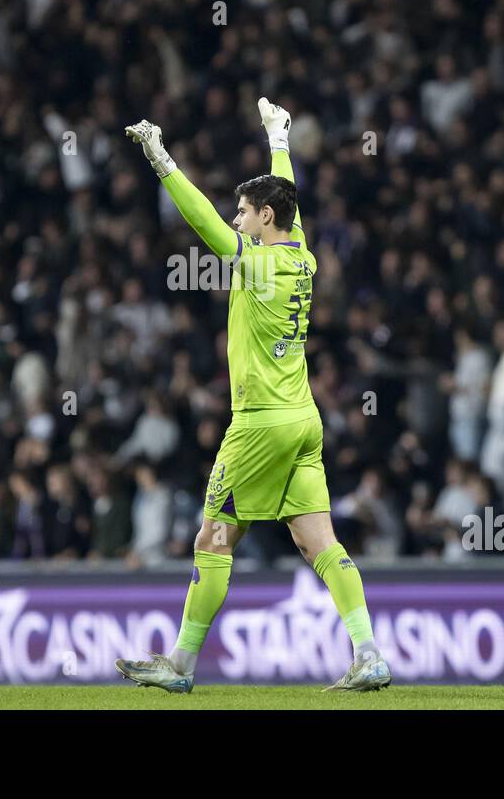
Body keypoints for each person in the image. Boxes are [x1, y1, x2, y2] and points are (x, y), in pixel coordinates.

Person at [114, 98, 389, 693]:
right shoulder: (304, 256)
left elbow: (202, 224)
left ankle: (181, 667)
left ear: (264, 218)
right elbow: (286, 197)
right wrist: (278, 138)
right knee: (319, 540)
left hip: (260, 423)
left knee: (212, 538)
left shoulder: (258, 265)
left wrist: (160, 159)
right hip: (305, 420)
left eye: (244, 212)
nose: (236, 220)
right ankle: (368, 653)